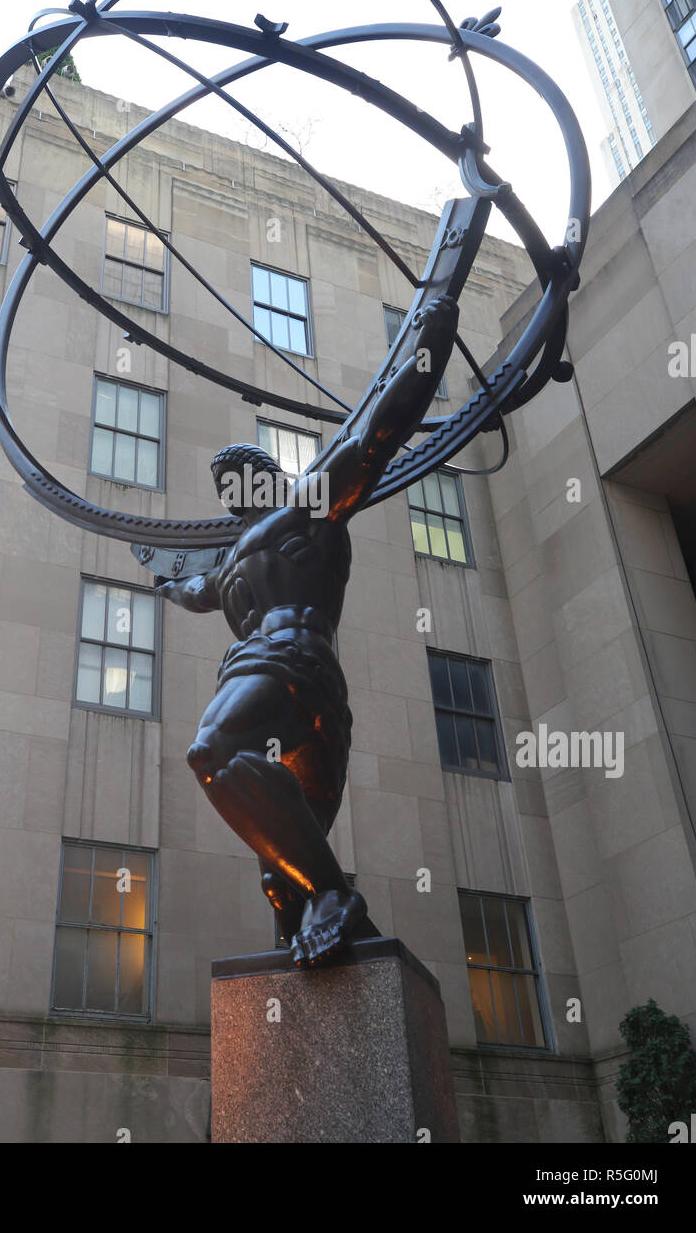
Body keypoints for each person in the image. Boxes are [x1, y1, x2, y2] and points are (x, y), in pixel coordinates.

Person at [156, 295, 457, 965]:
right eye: (222, 487)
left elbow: (372, 438)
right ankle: (320, 912)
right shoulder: (234, 559)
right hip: (306, 703)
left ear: (266, 476)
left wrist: (429, 347)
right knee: (278, 870)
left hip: (288, 667)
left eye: (237, 479)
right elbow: (196, 591)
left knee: (211, 752)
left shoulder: (308, 509)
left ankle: (334, 896)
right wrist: (162, 579)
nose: (230, 494)